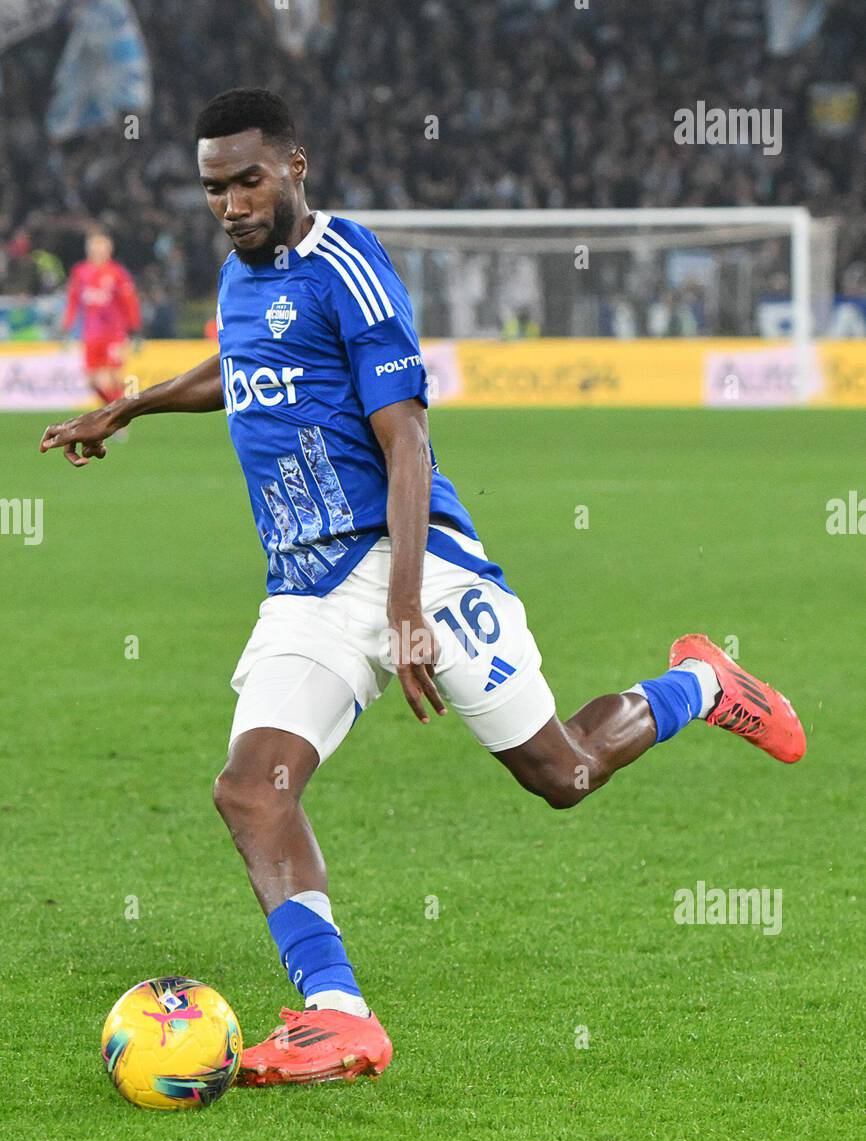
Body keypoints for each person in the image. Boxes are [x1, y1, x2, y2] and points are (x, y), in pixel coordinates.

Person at [39, 88, 806, 1088]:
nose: (229, 202)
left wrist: (405, 610)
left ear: (294, 166)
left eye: (247, 180)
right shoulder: (240, 276)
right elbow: (243, 365)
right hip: (305, 586)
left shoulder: (347, 264)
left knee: (560, 774)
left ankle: (700, 686)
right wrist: (130, 406)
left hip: (415, 563)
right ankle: (338, 1014)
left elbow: (406, 441)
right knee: (249, 790)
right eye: (213, 187)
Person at [61, 231, 142, 405]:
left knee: (110, 376)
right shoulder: (80, 272)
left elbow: (129, 302)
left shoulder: (117, 273)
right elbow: (73, 301)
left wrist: (134, 329)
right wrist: (67, 326)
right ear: (88, 249)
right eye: (94, 247)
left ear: (109, 249)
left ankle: (118, 417)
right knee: (91, 380)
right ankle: (116, 411)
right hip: (90, 333)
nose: (98, 251)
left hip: (114, 332)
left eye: (102, 247)